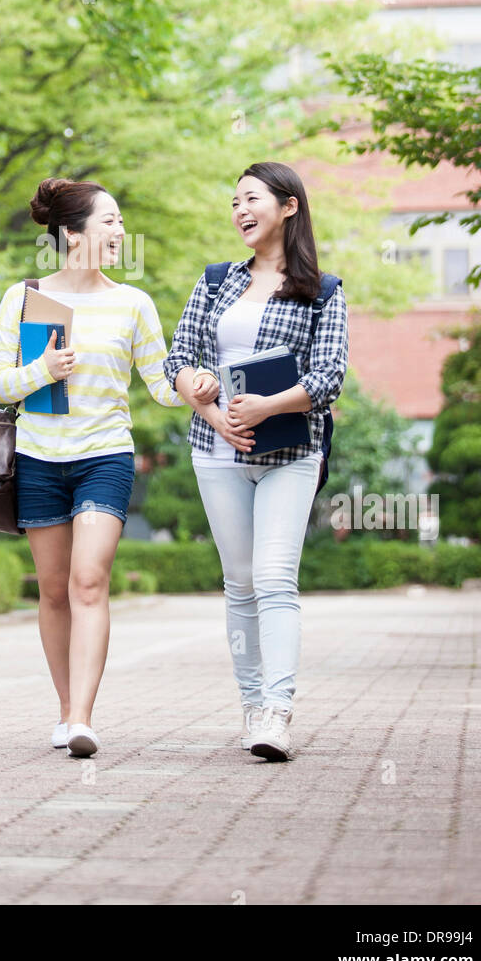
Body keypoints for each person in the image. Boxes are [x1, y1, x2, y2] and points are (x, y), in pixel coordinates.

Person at [0, 177, 217, 759]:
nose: (119, 230)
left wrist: (198, 386)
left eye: (120, 220)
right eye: (109, 220)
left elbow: (162, 385)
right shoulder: (26, 298)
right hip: (38, 458)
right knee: (54, 591)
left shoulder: (132, 303)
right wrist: (42, 369)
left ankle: (85, 717)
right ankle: (64, 711)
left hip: (105, 457)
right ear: (72, 233)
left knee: (89, 580)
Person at [163, 161, 349, 762]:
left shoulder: (323, 290)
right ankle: (251, 707)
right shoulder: (216, 281)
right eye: (234, 202)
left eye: (251, 199)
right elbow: (179, 359)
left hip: (292, 452)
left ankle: (277, 709)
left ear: (288, 206)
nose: (241, 211)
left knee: (274, 580)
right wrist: (216, 414)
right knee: (239, 583)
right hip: (215, 451)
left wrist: (266, 406)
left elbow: (328, 377)